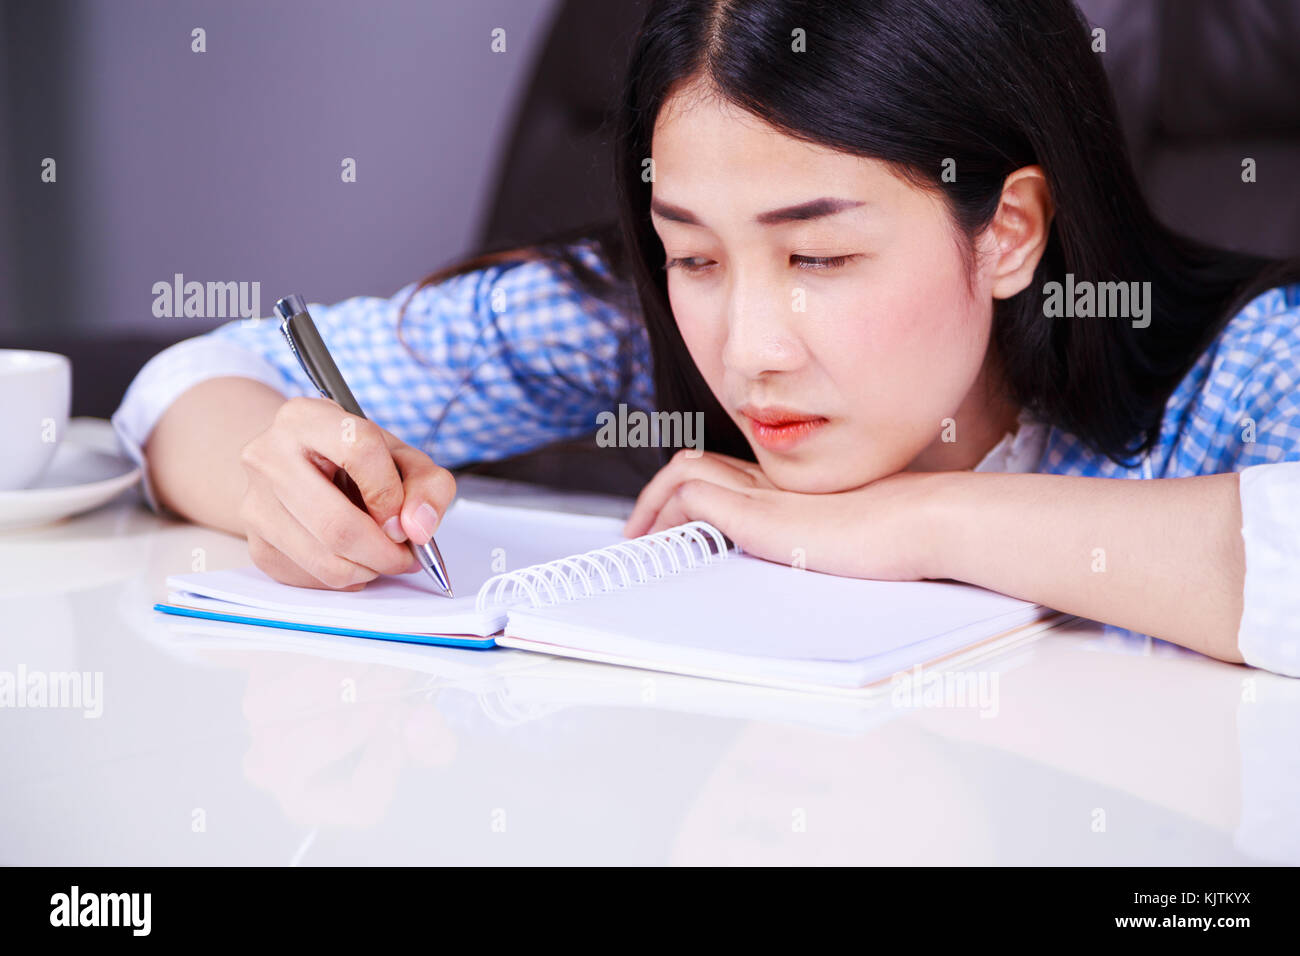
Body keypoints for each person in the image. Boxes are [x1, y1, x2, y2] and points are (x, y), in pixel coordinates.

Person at [114, 0, 1300, 676]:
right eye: (692, 253)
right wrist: (285, 477)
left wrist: (907, 520)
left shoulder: (1242, 366)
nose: (746, 349)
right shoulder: (624, 326)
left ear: (1007, 231)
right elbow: (197, 381)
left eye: (821, 256)